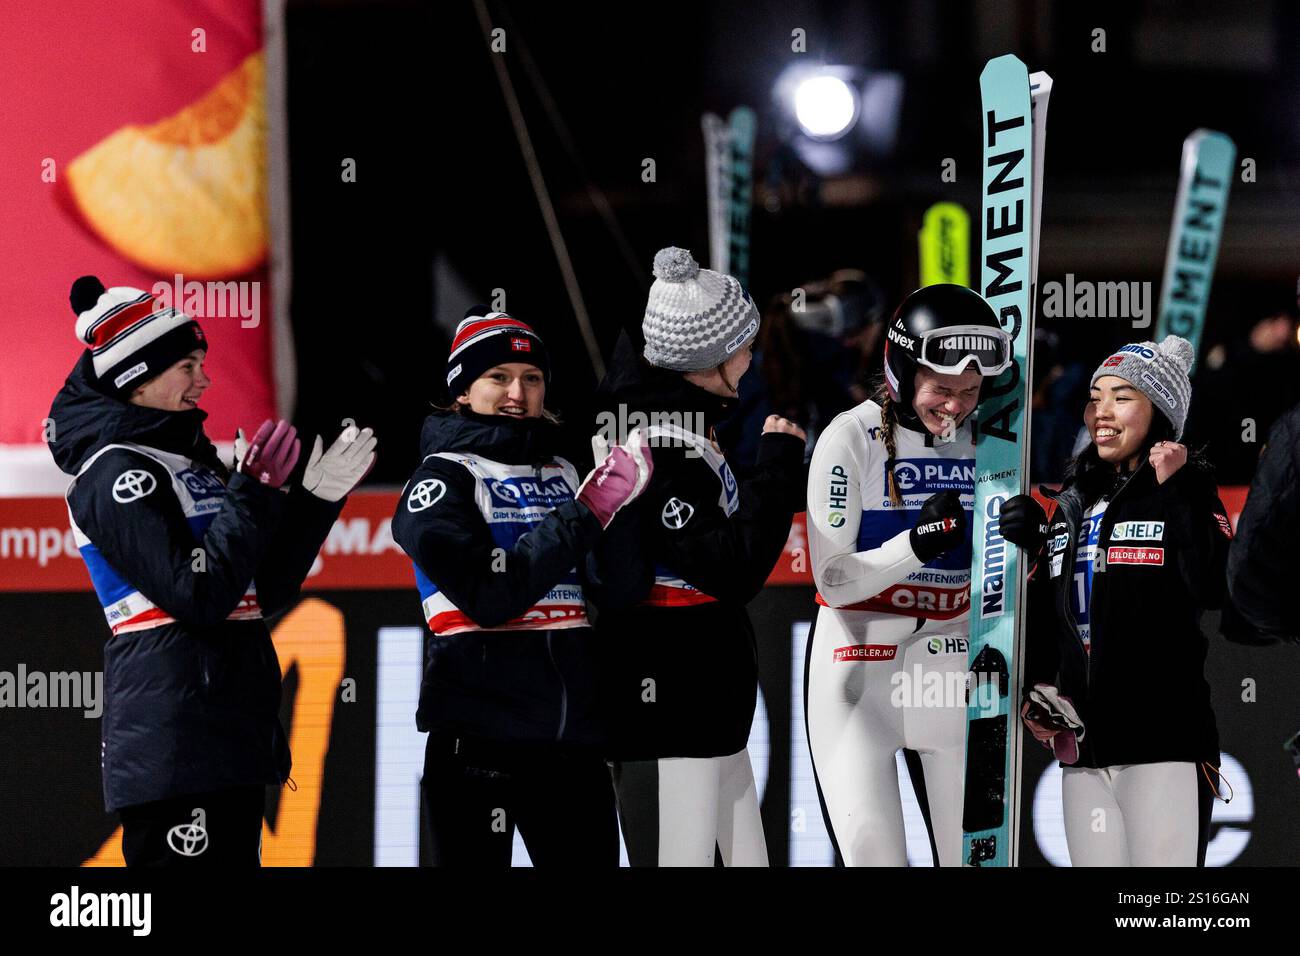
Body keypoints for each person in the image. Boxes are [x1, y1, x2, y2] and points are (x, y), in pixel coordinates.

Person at [49, 276, 375, 866]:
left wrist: (313, 502)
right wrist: (251, 493)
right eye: (187, 365)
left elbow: (260, 590)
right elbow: (197, 595)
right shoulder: (114, 473)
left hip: (228, 733)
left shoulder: (193, 462)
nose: (204, 379)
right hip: (175, 744)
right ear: (135, 379)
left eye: (202, 362)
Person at [391, 308, 652, 867]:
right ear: (462, 390)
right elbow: (491, 596)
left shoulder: (563, 469)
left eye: (532, 379)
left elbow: (618, 593)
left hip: (571, 748)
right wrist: (587, 512)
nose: (518, 392)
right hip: (478, 747)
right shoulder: (439, 479)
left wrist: (625, 512)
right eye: (499, 377)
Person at [586, 247, 806, 867]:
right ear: (706, 359)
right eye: (743, 346)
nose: (752, 358)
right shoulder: (655, 447)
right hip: (667, 713)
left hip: (706, 708)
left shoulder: (688, 430)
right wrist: (774, 472)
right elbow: (732, 570)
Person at [804, 282, 1013, 866]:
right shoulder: (851, 437)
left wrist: (1032, 543)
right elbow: (832, 579)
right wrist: (915, 546)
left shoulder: (992, 445)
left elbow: (1002, 583)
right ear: (900, 370)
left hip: (952, 676)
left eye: (971, 391)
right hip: (858, 678)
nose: (955, 406)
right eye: (941, 390)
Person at [1004, 335, 1231, 867]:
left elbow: (1215, 587)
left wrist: (1177, 491)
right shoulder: (1073, 501)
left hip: (1164, 744)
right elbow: (1051, 615)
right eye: (1095, 396)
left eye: (1122, 396)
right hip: (1084, 752)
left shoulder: (1187, 486)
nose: (1101, 411)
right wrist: (1034, 690)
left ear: (1161, 413)